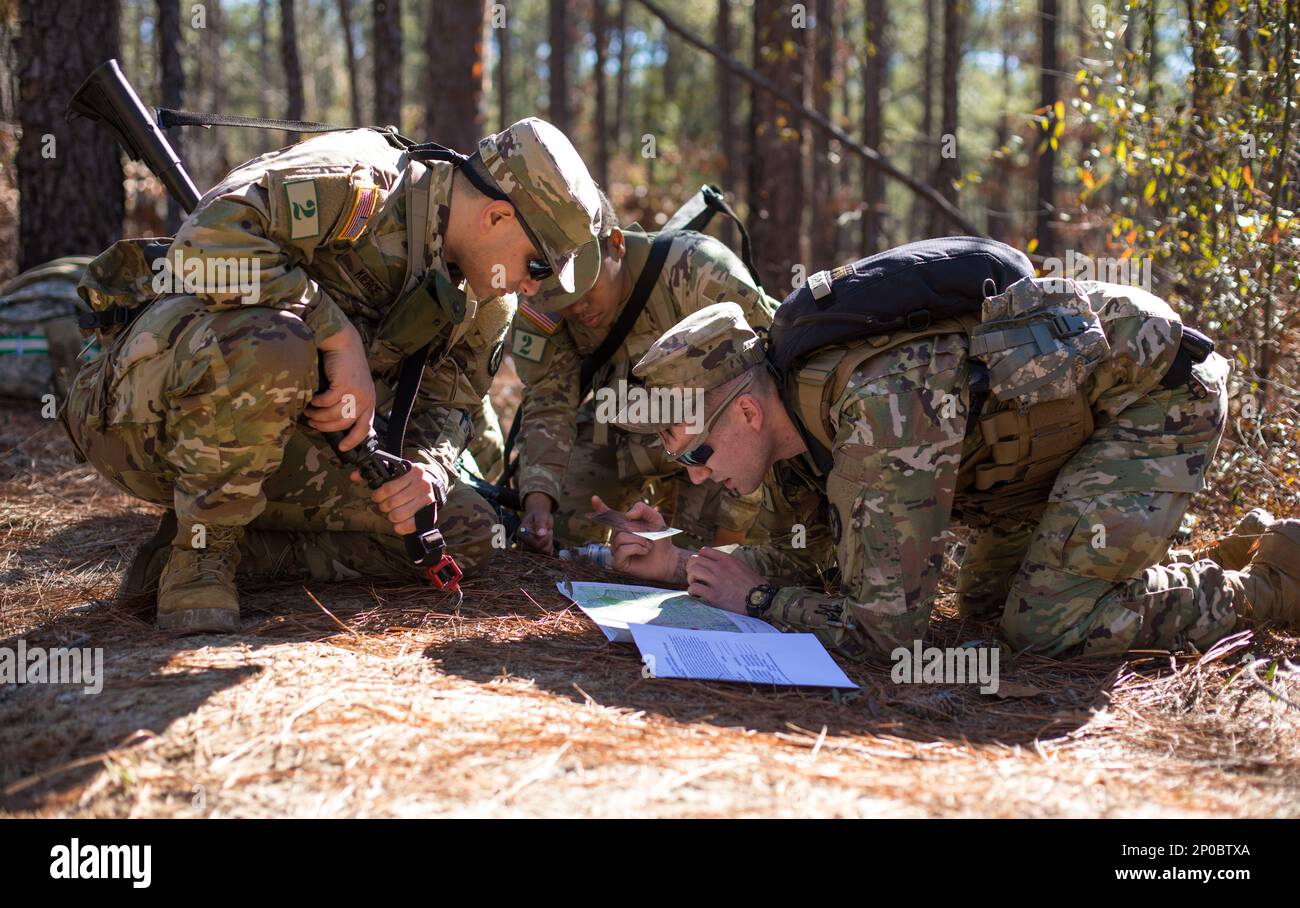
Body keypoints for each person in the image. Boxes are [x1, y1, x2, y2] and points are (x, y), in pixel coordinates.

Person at [63, 117, 601, 632]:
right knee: (276, 342)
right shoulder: (364, 180)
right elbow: (201, 245)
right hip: (145, 413)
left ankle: (235, 553)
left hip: (279, 446)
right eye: (537, 265)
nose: (533, 288)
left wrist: (427, 473)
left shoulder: (487, 302)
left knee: (467, 532)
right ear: (497, 217)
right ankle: (202, 556)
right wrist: (333, 333)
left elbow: (452, 405)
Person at [598, 289, 1300, 661]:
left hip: (1152, 398)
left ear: (747, 412)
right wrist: (680, 563)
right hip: (1047, 452)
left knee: (1048, 628)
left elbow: (887, 634)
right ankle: (1222, 549)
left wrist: (758, 605)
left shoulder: (876, 410)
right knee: (987, 612)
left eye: (695, 453)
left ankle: (1268, 586)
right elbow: (809, 561)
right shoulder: (792, 426)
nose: (693, 479)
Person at [510, 190, 779, 553]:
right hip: (620, 436)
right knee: (562, 537)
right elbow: (549, 403)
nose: (578, 309)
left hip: (713, 448)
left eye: (587, 290)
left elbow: (769, 404)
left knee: (699, 564)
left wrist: (731, 529)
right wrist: (539, 501)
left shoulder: (700, 271)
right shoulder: (552, 308)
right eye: (564, 300)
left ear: (616, 245)